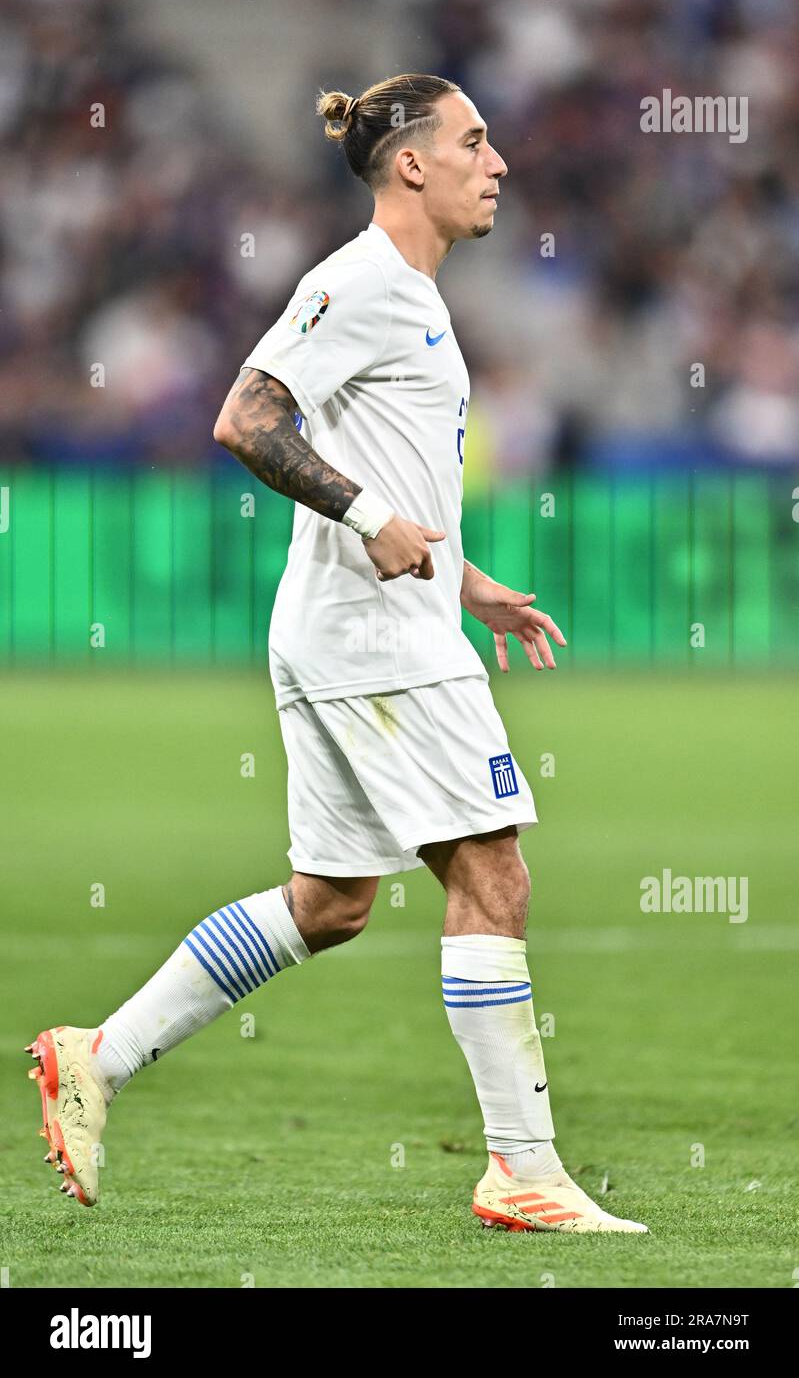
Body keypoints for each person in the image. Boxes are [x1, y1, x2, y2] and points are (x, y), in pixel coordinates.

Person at [26, 73, 647, 1234]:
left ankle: (98, 1056)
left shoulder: (409, 294)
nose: (497, 163)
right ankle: (520, 1168)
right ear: (411, 163)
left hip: (363, 628)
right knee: (493, 875)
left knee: (331, 902)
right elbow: (246, 417)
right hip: (373, 641)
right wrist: (370, 520)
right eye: (473, 141)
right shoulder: (359, 282)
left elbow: (388, 467)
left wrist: (464, 579)